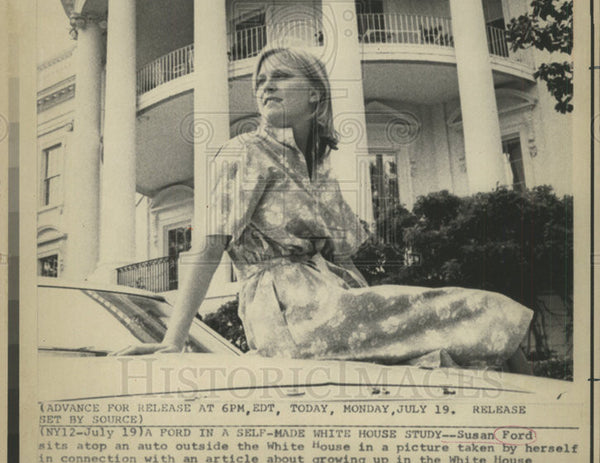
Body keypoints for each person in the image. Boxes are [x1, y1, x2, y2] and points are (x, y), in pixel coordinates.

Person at [118, 44, 532, 371]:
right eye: (260, 81)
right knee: (488, 309)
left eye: (280, 76)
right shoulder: (245, 151)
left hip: (332, 299)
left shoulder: (319, 172)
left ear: (315, 93)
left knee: (488, 326)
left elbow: (347, 259)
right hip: (288, 308)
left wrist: (383, 310)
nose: (265, 86)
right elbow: (207, 247)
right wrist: (174, 339)